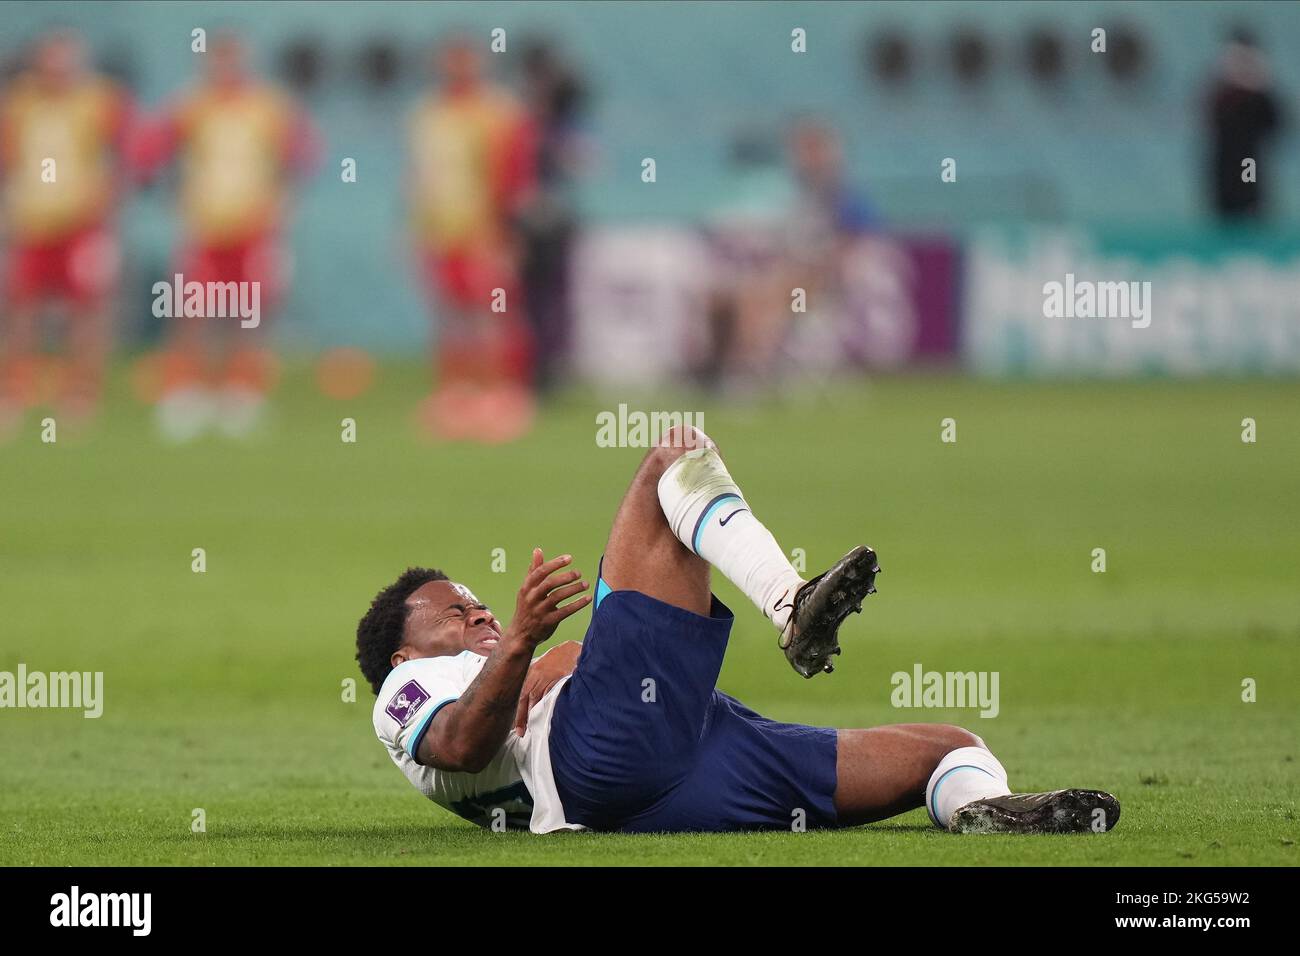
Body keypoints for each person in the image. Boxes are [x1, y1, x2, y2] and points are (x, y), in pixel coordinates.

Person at [356, 424, 1120, 834]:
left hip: (677, 766)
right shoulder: (404, 690)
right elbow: (460, 744)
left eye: (479, 602)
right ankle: (790, 606)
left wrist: (552, 658)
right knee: (672, 460)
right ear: (403, 650)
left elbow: (579, 664)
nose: (480, 612)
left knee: (950, 750)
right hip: (597, 753)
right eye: (454, 612)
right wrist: (525, 646)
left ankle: (983, 815)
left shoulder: (493, 674)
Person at [133, 32, 319, 440]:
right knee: (193, 312)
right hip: (204, 227)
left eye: (233, 56)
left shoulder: (270, 107)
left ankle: (242, 393)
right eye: (219, 57)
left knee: (249, 312)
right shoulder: (190, 106)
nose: (226, 65)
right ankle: (185, 392)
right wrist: (169, 194)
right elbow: (150, 152)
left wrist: (284, 201)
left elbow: (301, 155)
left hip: (254, 228)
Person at [0, 31, 133, 433]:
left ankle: (80, 394)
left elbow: (122, 157)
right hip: (32, 224)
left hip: (82, 226)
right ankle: (16, 391)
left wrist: (108, 210)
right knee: (23, 311)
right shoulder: (19, 103)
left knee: (86, 311)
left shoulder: (100, 101)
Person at [407, 35, 535, 442]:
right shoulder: (428, 113)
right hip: (442, 229)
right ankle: (457, 394)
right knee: (450, 312)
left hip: (486, 230)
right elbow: (418, 176)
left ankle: (503, 395)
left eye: (467, 59)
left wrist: (509, 231)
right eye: (452, 59)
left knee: (492, 312)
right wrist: (412, 226)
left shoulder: (499, 112)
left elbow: (516, 176)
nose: (459, 68)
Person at [1205, 30, 1284, 222]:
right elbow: (1213, 120)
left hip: (1248, 162)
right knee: (1225, 208)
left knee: (1248, 201)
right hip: (1224, 166)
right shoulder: (1221, 93)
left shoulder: (1259, 96)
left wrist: (1258, 88)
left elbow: (1275, 124)